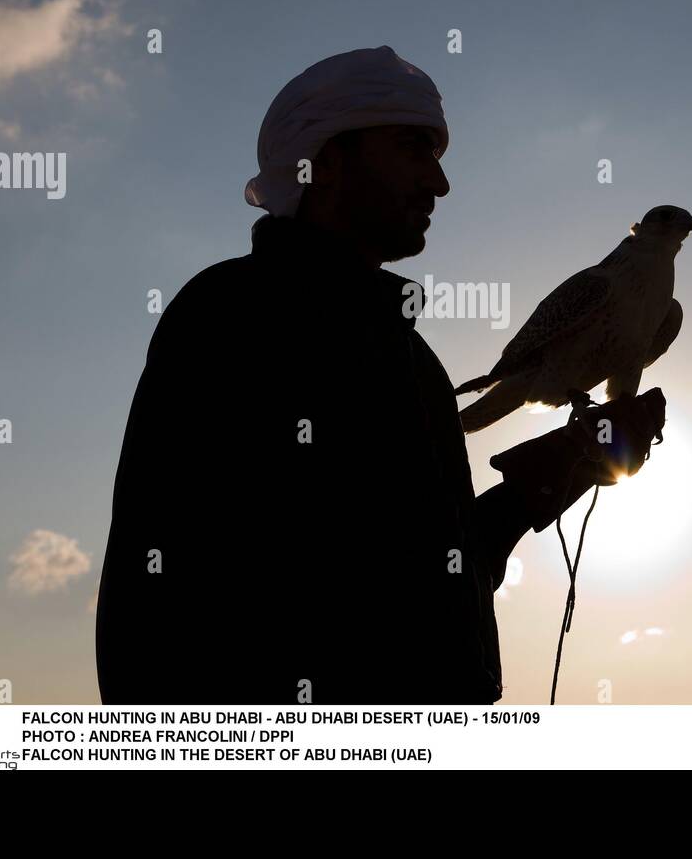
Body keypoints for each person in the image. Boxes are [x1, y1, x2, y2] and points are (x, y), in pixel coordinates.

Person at [95, 46, 662, 703]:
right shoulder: (234, 315)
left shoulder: (407, 356)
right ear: (325, 161)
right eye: (413, 148)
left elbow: (429, 575)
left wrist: (562, 466)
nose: (439, 182)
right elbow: (167, 589)